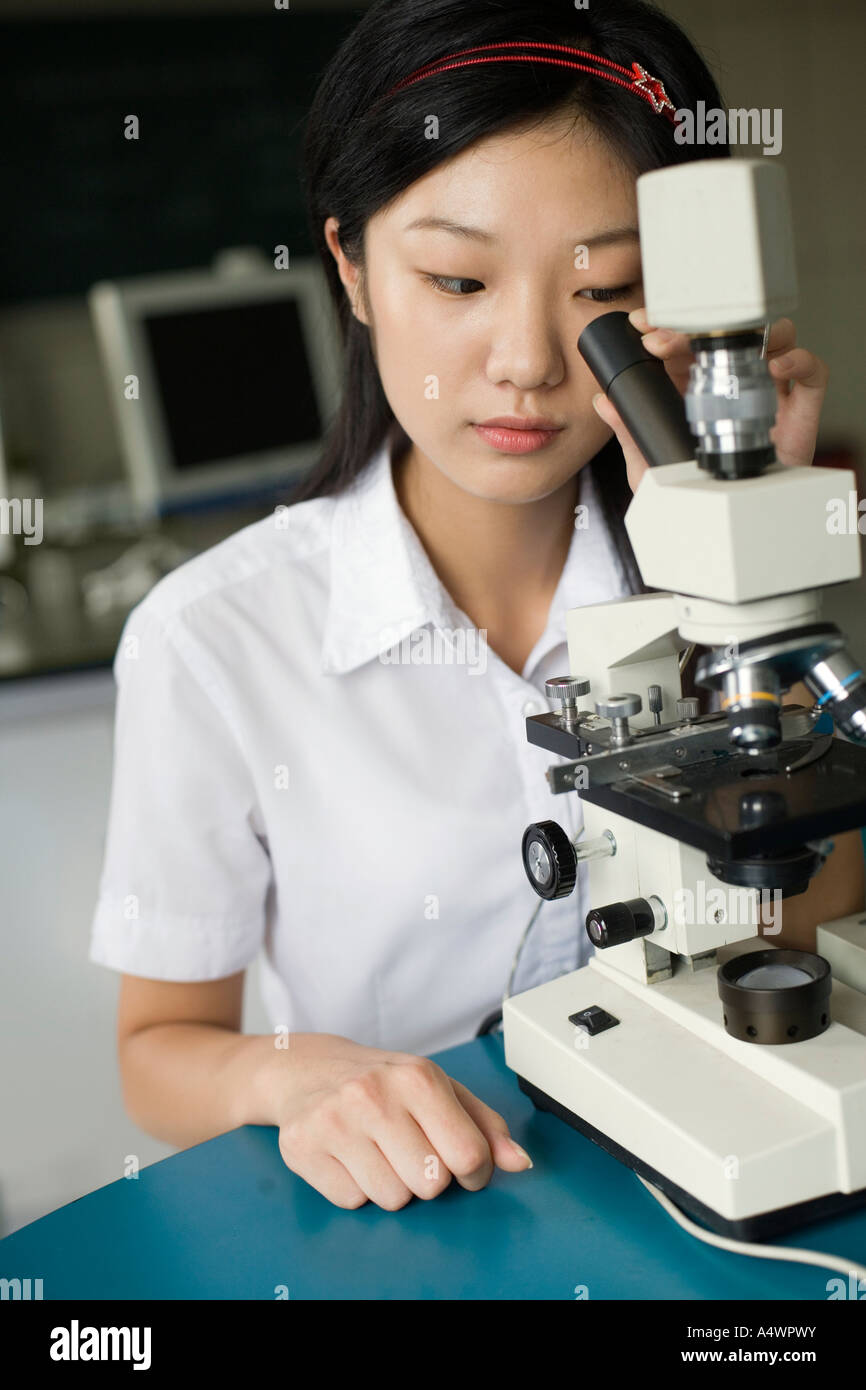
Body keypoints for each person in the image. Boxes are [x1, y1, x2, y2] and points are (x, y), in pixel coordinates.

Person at [89, 0, 864, 1213]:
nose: (525, 360)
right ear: (347, 265)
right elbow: (159, 1051)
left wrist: (750, 563)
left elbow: (815, 909)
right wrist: (300, 1082)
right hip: (420, 1214)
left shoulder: (713, 570)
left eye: (600, 289)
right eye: (456, 277)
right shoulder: (214, 640)